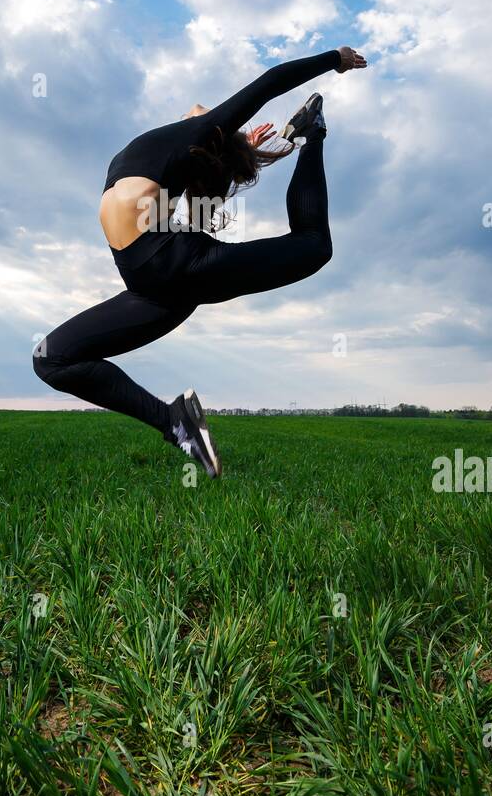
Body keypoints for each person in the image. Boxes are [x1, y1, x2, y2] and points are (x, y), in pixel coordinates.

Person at [33, 45, 367, 477]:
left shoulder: (185, 138)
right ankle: (175, 421)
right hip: (148, 287)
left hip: (177, 268)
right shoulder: (176, 146)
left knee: (315, 246)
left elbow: (268, 83)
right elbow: (202, 123)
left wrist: (334, 59)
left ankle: (309, 137)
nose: (209, 112)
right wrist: (243, 146)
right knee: (51, 359)